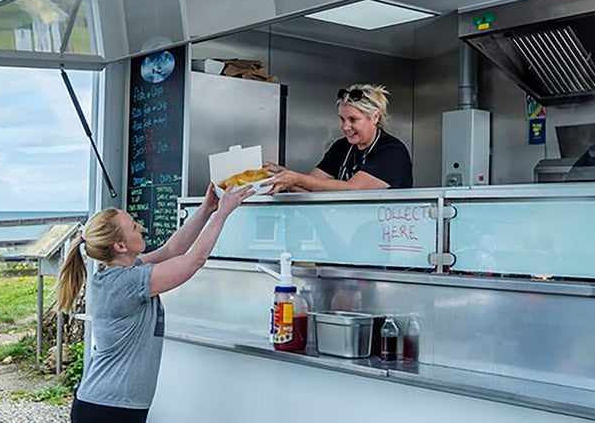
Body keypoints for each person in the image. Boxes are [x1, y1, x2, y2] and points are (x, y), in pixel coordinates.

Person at [60, 183, 254, 423]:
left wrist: (206, 209)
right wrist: (222, 214)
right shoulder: (123, 283)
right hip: (108, 408)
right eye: (133, 226)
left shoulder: (124, 271)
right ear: (119, 246)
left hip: (110, 404)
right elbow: (194, 260)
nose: (141, 227)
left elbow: (172, 250)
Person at [266, 84, 414, 192]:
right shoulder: (341, 147)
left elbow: (353, 189)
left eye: (353, 120)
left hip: (380, 231)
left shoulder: (392, 152)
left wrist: (294, 178)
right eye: (342, 119)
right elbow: (310, 187)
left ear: (375, 117)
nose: (345, 127)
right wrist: (280, 175)